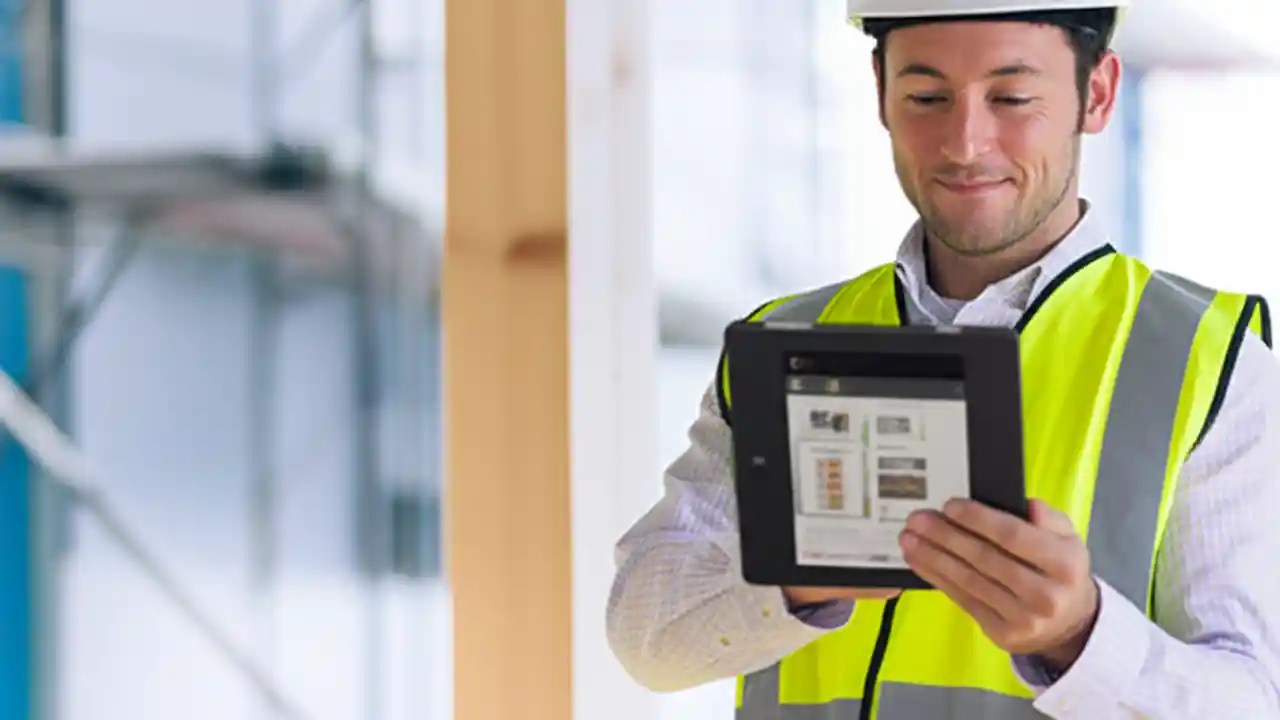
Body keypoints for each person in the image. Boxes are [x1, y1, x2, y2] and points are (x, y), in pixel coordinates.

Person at [606, 1, 1280, 718]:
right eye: (927, 97)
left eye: (1011, 98)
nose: (964, 143)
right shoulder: (787, 339)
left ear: (1098, 93)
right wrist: (799, 580)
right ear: (880, 92)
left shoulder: (1209, 362)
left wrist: (1079, 635)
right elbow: (647, 640)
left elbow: (1252, 700)